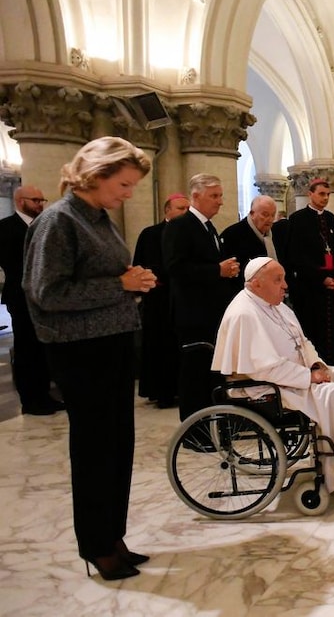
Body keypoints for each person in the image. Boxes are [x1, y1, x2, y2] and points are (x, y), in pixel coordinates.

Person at [22, 136, 157, 580]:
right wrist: (120, 285)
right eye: (124, 184)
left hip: (111, 342)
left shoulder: (98, 217)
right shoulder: (58, 220)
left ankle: (113, 536)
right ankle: (96, 545)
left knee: (118, 446)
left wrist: (132, 280)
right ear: (96, 176)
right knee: (95, 449)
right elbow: (46, 293)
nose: (129, 194)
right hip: (80, 351)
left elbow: (104, 275)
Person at [212, 257, 334, 501]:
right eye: (278, 280)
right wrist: (309, 376)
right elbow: (262, 369)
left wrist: (316, 364)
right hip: (265, 387)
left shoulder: (276, 305)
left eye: (284, 278)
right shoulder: (244, 313)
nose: (285, 285)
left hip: (290, 376)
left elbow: (303, 341)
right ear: (256, 283)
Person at [162, 173, 241, 422]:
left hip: (212, 313)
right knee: (194, 375)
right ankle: (194, 428)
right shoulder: (180, 226)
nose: (220, 201)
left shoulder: (208, 227)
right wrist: (217, 270)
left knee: (211, 374)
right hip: (193, 314)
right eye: (214, 196)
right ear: (196, 196)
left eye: (220, 195)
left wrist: (227, 270)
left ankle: (213, 422)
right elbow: (175, 268)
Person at [0, 185, 63, 415]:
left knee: (44, 347)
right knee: (27, 348)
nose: (40, 204)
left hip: (47, 296)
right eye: (35, 200)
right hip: (21, 295)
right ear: (20, 201)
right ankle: (30, 399)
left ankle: (45, 394)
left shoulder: (46, 225)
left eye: (41, 200)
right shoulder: (5, 228)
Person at [132, 193, 190, 408]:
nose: (185, 213)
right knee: (159, 347)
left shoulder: (189, 234)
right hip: (159, 300)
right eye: (180, 208)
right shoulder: (150, 234)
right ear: (167, 210)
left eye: (187, 209)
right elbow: (139, 264)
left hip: (182, 300)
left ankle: (180, 390)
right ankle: (161, 392)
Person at [284, 177, 334, 365]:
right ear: (310, 194)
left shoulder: (331, 218)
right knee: (313, 326)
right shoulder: (298, 219)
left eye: (328, 194)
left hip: (332, 282)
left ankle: (332, 361)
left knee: (332, 325)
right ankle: (314, 363)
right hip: (310, 285)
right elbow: (296, 256)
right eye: (321, 194)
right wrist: (321, 279)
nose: (325, 198)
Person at [220, 194, 278, 292]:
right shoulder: (233, 235)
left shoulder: (275, 234)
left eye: (273, 215)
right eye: (265, 214)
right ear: (252, 213)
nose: (270, 219)